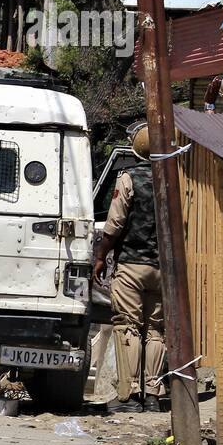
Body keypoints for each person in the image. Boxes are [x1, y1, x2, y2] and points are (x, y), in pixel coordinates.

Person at [92, 124, 164, 413]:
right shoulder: (174, 181)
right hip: (161, 270)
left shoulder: (128, 178)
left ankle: (129, 395)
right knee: (156, 330)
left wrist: (100, 257)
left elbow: (114, 224)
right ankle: (154, 395)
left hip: (131, 265)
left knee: (127, 326)